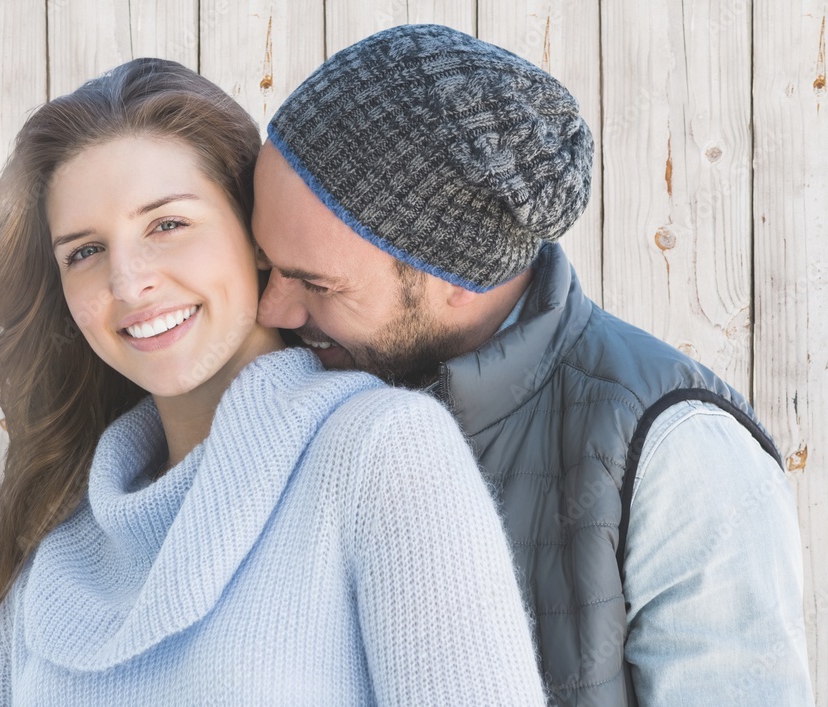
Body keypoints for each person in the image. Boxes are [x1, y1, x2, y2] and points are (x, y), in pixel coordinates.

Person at [251, 23, 814, 707]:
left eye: (315, 284)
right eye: (264, 266)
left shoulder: (674, 455)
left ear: (457, 276)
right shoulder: (291, 390)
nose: (271, 311)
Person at [0, 57, 546, 706]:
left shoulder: (381, 452)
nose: (127, 284)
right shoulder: (57, 527)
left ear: (256, 233)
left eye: (167, 224)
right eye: (85, 251)